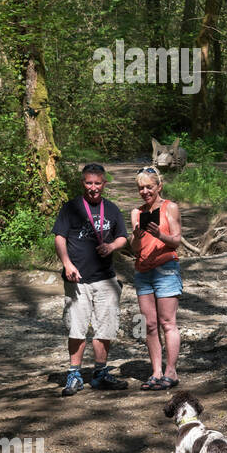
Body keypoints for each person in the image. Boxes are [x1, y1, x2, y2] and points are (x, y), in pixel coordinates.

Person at [52, 163, 130, 395]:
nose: (93, 188)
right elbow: (59, 237)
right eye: (89, 183)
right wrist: (67, 264)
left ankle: (100, 373)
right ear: (82, 183)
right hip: (77, 279)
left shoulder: (112, 209)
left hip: (106, 279)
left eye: (97, 183)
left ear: (104, 184)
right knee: (76, 327)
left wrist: (112, 246)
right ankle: (74, 374)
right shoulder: (71, 207)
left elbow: (123, 237)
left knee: (105, 328)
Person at [131, 166, 183, 390]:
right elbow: (134, 249)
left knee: (167, 322)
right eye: (141, 188)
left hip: (166, 268)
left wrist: (158, 234)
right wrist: (136, 236)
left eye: (149, 187)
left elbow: (177, 240)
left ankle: (171, 371)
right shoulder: (137, 213)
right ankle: (156, 371)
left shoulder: (169, 207)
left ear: (159, 186)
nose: (145, 191)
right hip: (142, 271)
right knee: (149, 324)